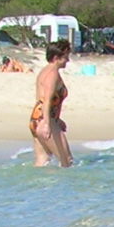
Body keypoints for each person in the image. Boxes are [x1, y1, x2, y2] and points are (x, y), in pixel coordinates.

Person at [30, 40, 74, 168]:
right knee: (67, 162)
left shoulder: (43, 72)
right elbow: (48, 99)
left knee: (42, 161)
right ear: (56, 58)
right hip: (44, 120)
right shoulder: (52, 74)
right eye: (65, 57)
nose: (68, 60)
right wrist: (48, 124)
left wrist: (56, 119)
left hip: (36, 119)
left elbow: (40, 99)